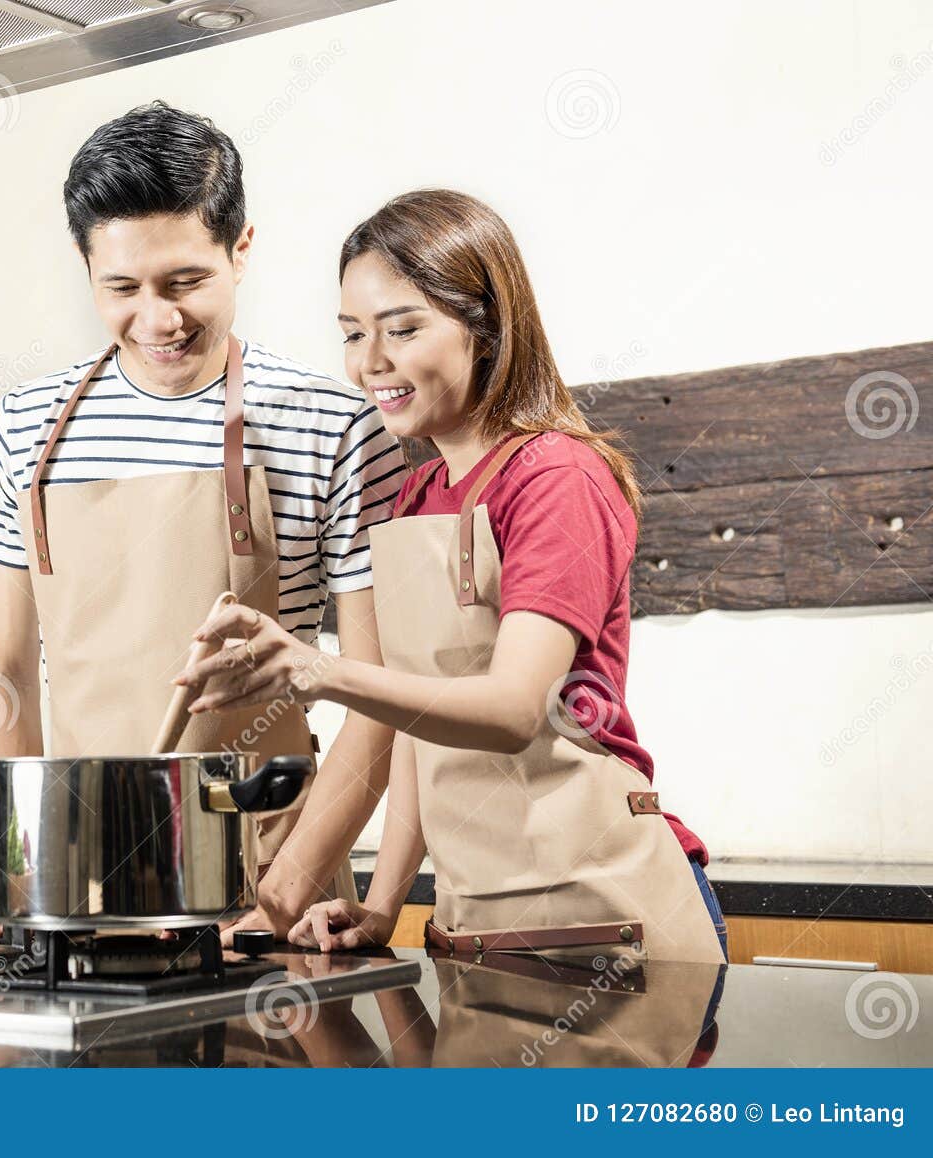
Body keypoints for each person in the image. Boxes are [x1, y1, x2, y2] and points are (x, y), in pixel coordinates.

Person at [177, 189, 729, 966]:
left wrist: (317, 670)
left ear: (486, 327)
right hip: (476, 923)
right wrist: (381, 906)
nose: (372, 361)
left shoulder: (560, 477)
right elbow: (417, 736)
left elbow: (510, 711)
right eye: (353, 334)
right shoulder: (417, 497)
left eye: (403, 329)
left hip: (610, 919)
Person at [0, 102, 403, 930]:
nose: (158, 319)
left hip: (270, 885)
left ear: (242, 250)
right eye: (122, 287)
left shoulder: (335, 424)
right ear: (84, 267)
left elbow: (382, 701)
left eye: (186, 281)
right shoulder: (22, 428)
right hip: (76, 886)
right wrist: (6, 871)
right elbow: (4, 673)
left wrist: (283, 893)